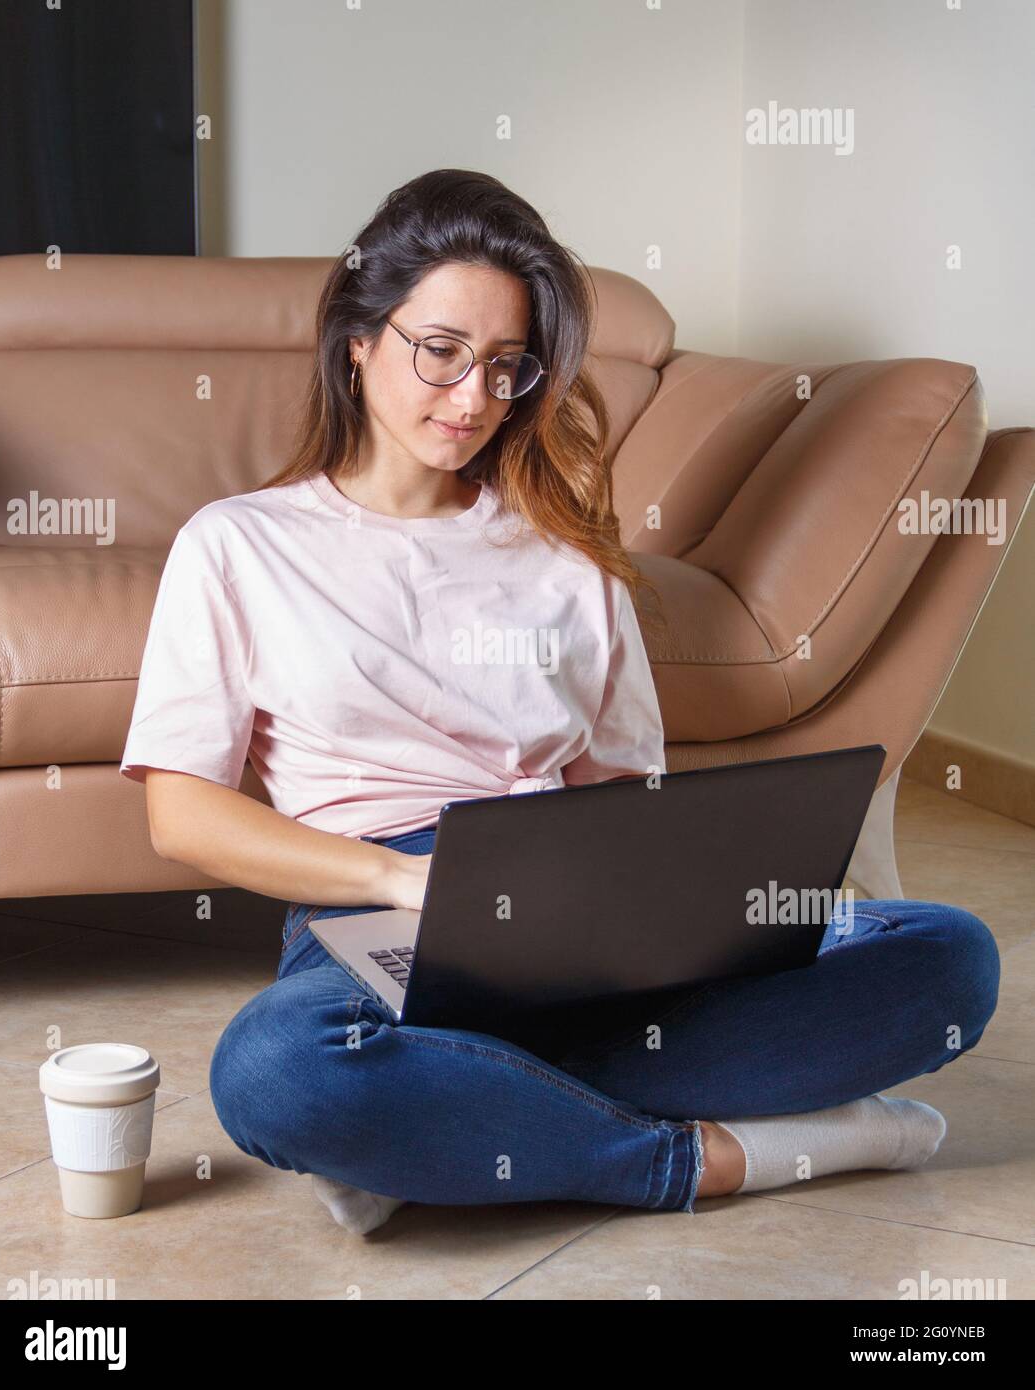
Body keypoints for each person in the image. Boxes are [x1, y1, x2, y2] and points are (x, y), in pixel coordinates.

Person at [119, 169, 1000, 1236]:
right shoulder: (239, 544)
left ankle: (453, 1124)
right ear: (358, 338)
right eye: (439, 351)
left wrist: (673, 910)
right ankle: (712, 1155)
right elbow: (181, 811)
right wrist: (406, 879)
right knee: (278, 1072)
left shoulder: (568, 559)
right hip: (369, 913)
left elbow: (621, 798)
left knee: (946, 955)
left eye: (505, 366)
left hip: (571, 916)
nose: (472, 398)